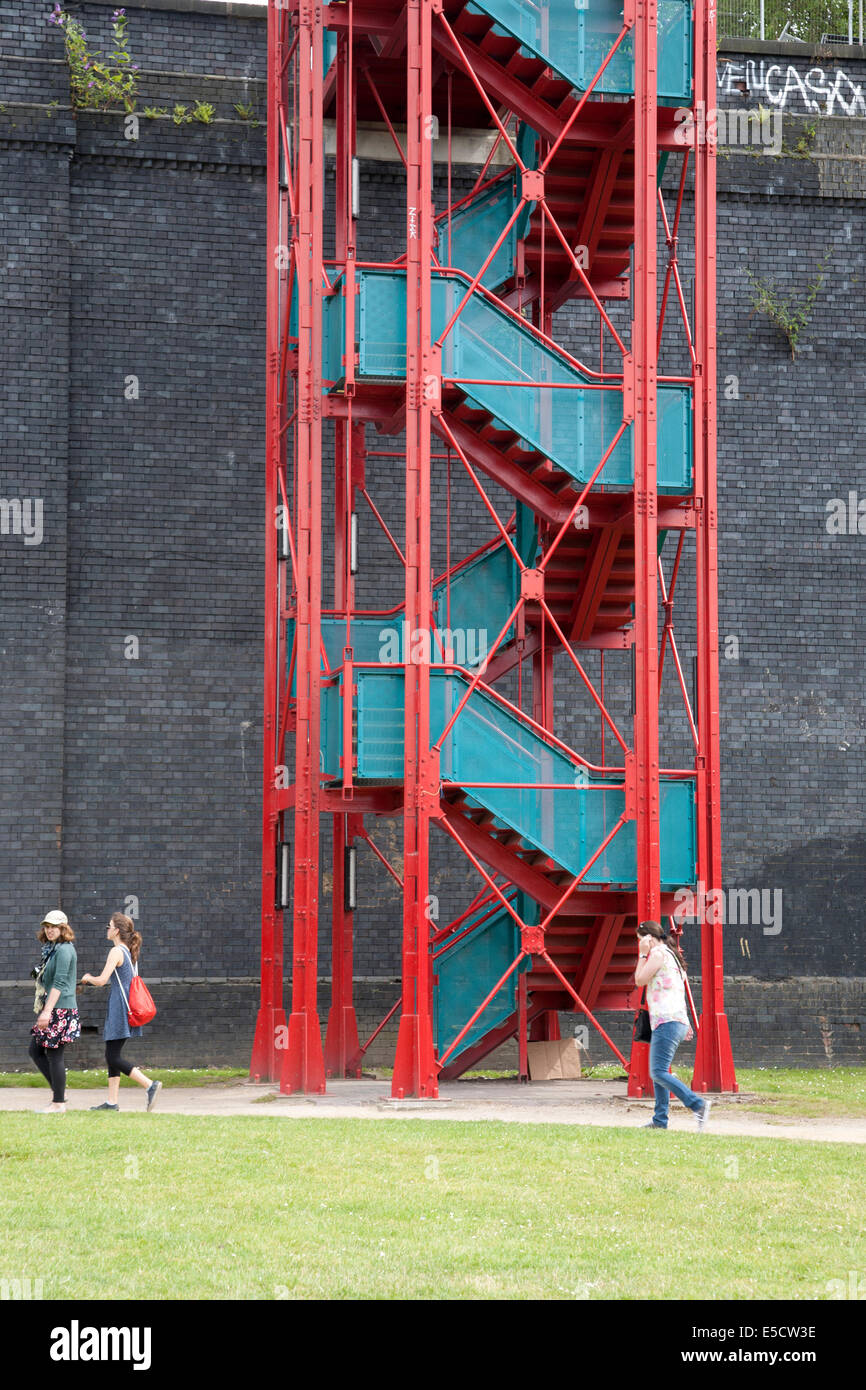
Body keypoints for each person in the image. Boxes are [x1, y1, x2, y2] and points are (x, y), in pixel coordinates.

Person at [634, 919, 711, 1131]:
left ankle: (698, 1105)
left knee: (658, 1072)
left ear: (648, 939)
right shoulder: (671, 954)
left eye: (640, 940)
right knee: (660, 1072)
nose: (639, 944)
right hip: (672, 1020)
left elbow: (639, 980)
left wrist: (642, 954)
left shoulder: (658, 954)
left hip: (667, 1020)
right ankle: (660, 1120)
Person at [81, 912, 161, 1112]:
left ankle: (149, 1085)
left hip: (119, 1008)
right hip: (125, 1009)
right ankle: (112, 1102)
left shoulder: (116, 952)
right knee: (112, 1053)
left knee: (113, 1056)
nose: (106, 930)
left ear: (116, 930)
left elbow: (101, 981)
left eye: (108, 926)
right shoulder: (128, 951)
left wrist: (88, 977)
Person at [29, 910, 81, 1113]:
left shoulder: (65, 950)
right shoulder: (52, 949)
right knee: (36, 1051)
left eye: (54, 927)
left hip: (60, 1009)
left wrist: (46, 1012)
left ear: (63, 928)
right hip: (53, 1007)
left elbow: (59, 983)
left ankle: (58, 1103)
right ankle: (60, 1094)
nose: (49, 930)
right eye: (47, 927)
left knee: (54, 1054)